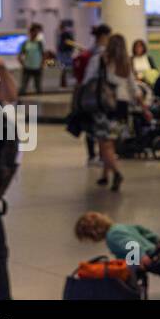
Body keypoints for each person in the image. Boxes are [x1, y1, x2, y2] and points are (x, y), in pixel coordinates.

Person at [87, 35, 145, 193]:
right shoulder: (126, 64)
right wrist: (144, 108)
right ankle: (105, 175)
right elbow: (134, 88)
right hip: (122, 107)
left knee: (104, 143)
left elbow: (88, 80)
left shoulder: (102, 61)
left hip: (105, 105)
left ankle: (116, 173)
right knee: (109, 143)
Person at [73, 25, 110, 166]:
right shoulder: (99, 54)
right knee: (100, 126)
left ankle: (93, 155)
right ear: (103, 36)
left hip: (89, 95)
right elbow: (89, 76)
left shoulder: (89, 51)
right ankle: (99, 156)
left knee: (91, 124)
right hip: (98, 95)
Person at [74, 212, 159, 268]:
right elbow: (142, 230)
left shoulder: (112, 236)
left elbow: (132, 245)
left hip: (146, 256)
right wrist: (157, 240)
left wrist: (141, 256)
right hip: (153, 250)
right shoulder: (119, 226)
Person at [18, 24, 45, 96]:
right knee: (23, 87)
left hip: (37, 67)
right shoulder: (26, 43)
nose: (35, 34)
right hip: (27, 67)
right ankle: (20, 104)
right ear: (30, 32)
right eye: (34, 32)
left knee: (38, 87)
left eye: (37, 32)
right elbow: (20, 55)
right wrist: (22, 63)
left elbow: (43, 55)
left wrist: (42, 64)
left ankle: (39, 103)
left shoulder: (39, 43)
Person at [57, 19, 77, 88]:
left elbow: (69, 43)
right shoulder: (63, 34)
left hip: (65, 54)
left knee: (64, 68)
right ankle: (64, 83)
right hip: (64, 53)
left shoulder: (65, 34)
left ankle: (64, 84)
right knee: (63, 68)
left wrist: (70, 51)